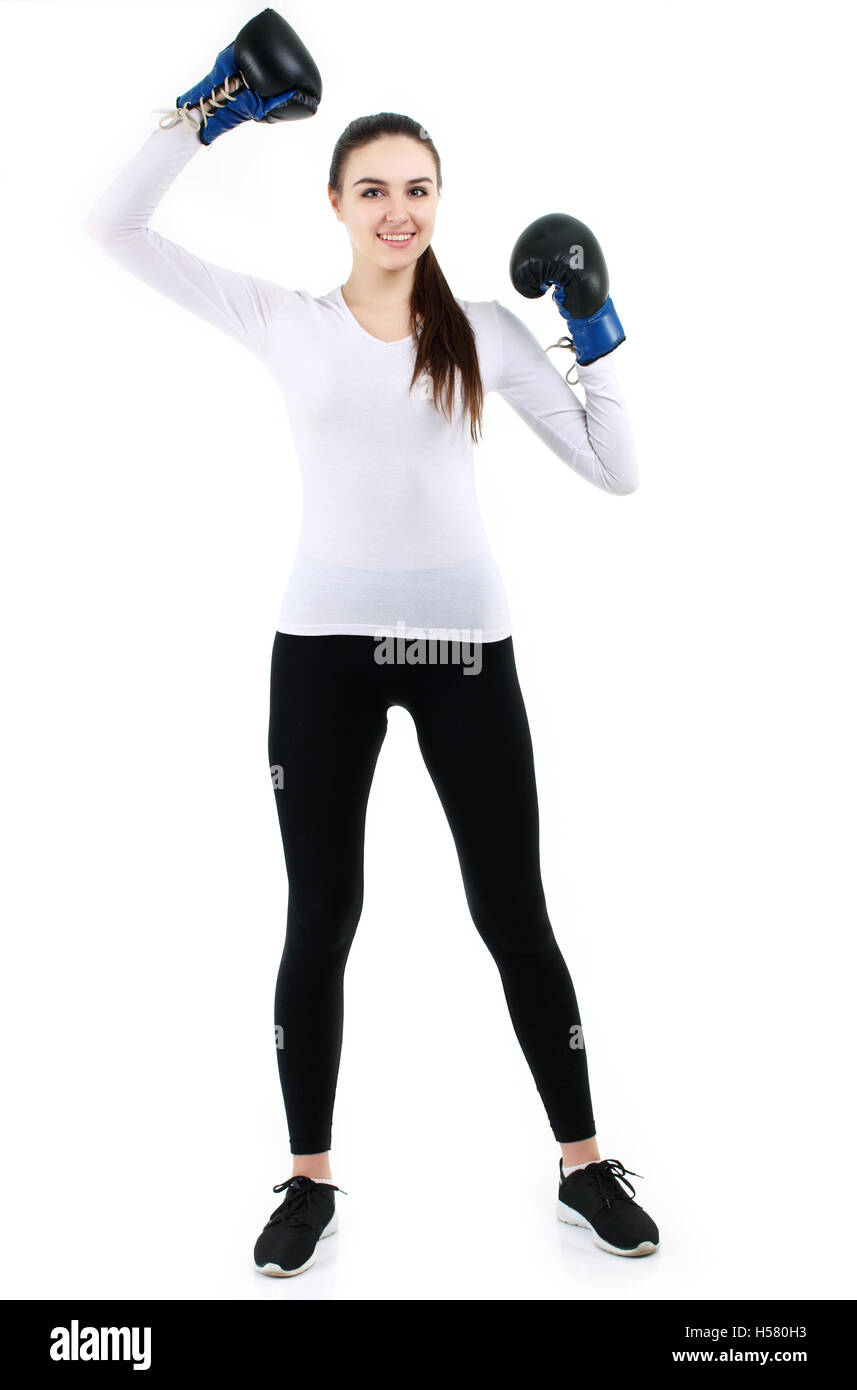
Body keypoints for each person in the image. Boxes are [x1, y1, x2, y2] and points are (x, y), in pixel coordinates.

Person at [85, 22, 659, 1275]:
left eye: (416, 190)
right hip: (324, 650)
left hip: (466, 651)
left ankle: (582, 1163)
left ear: (437, 201)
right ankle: (306, 1181)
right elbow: (112, 230)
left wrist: (597, 322)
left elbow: (618, 470)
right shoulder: (283, 318)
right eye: (373, 191)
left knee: (514, 910)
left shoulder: (493, 332)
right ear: (334, 204)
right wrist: (208, 108)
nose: (397, 211)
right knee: (321, 915)